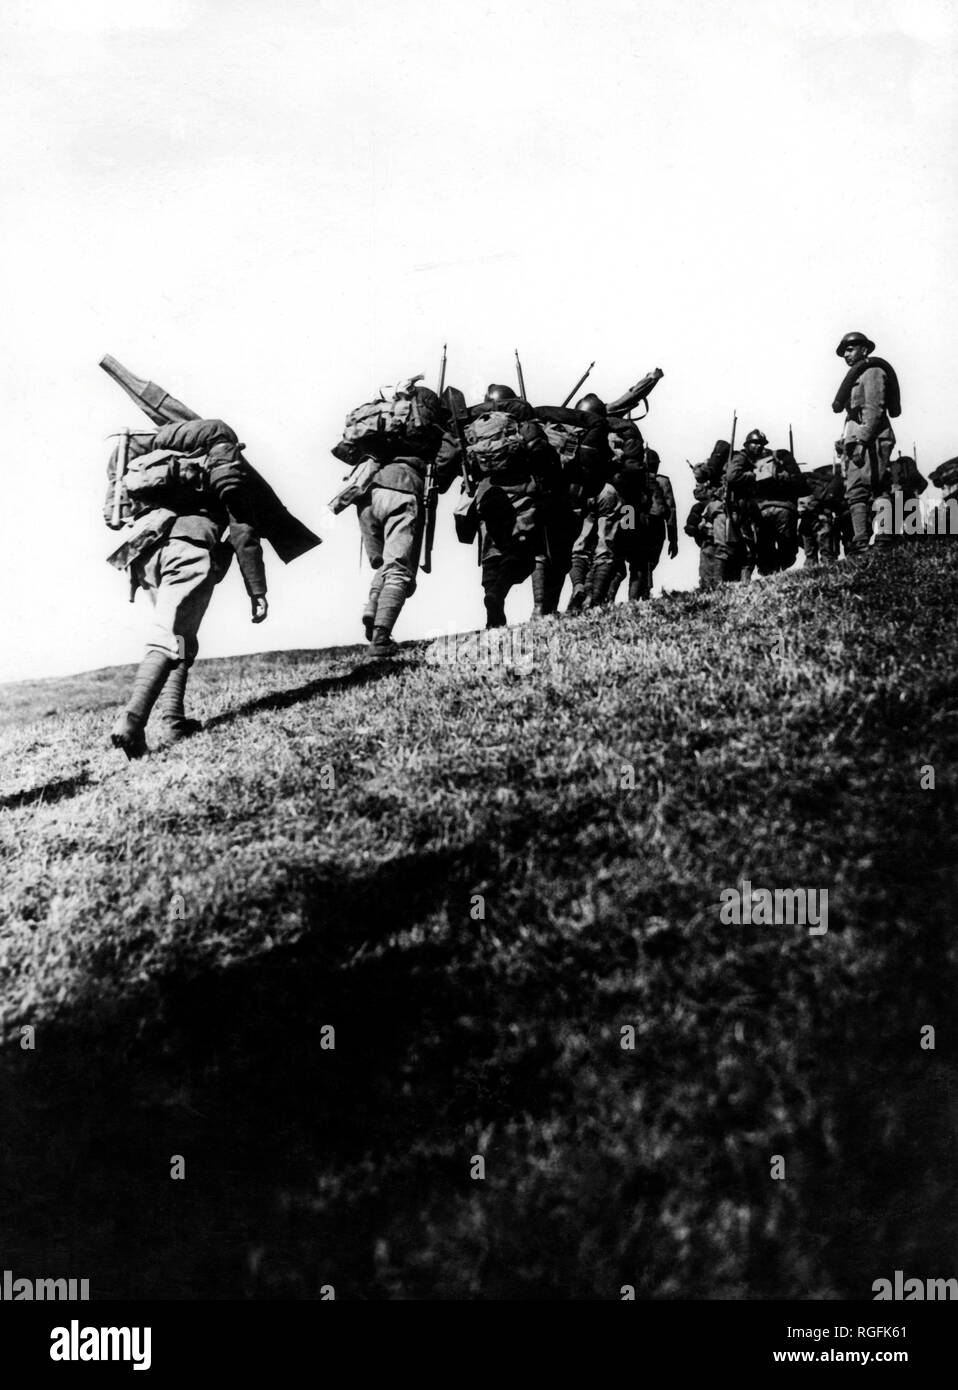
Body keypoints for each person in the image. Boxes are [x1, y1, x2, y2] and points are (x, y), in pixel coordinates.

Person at [108, 418, 268, 758]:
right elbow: (243, 533)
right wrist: (257, 590)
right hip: (189, 550)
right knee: (169, 636)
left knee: (180, 634)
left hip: (146, 550)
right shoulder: (224, 470)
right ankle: (132, 722)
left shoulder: (166, 459)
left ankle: (173, 719)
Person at [330, 375, 446, 658]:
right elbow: (448, 459)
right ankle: (381, 639)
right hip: (402, 491)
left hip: (366, 494)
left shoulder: (385, 427)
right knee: (399, 568)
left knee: (387, 563)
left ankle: (372, 608)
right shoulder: (428, 431)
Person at [437, 384, 559, 627]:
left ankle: (493, 613)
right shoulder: (519, 421)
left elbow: (452, 462)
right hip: (520, 490)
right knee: (525, 550)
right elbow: (542, 454)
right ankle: (523, 602)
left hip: (485, 493)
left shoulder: (472, 427)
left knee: (491, 553)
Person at [831, 331, 901, 554]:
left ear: (864, 349)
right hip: (859, 441)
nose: (847, 355)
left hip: (871, 440)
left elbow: (873, 409)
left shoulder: (872, 372)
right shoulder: (858, 374)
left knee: (871, 489)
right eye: (844, 352)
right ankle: (865, 542)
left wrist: (861, 442)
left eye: (851, 349)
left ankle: (879, 541)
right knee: (859, 491)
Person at [727, 431, 805, 575]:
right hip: (766, 511)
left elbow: (798, 481)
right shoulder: (746, 459)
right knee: (770, 552)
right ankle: (774, 577)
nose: (758, 447)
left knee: (781, 552)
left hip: (774, 509)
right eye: (755, 443)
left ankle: (776, 576)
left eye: (760, 444)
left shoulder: (774, 458)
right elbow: (732, 477)